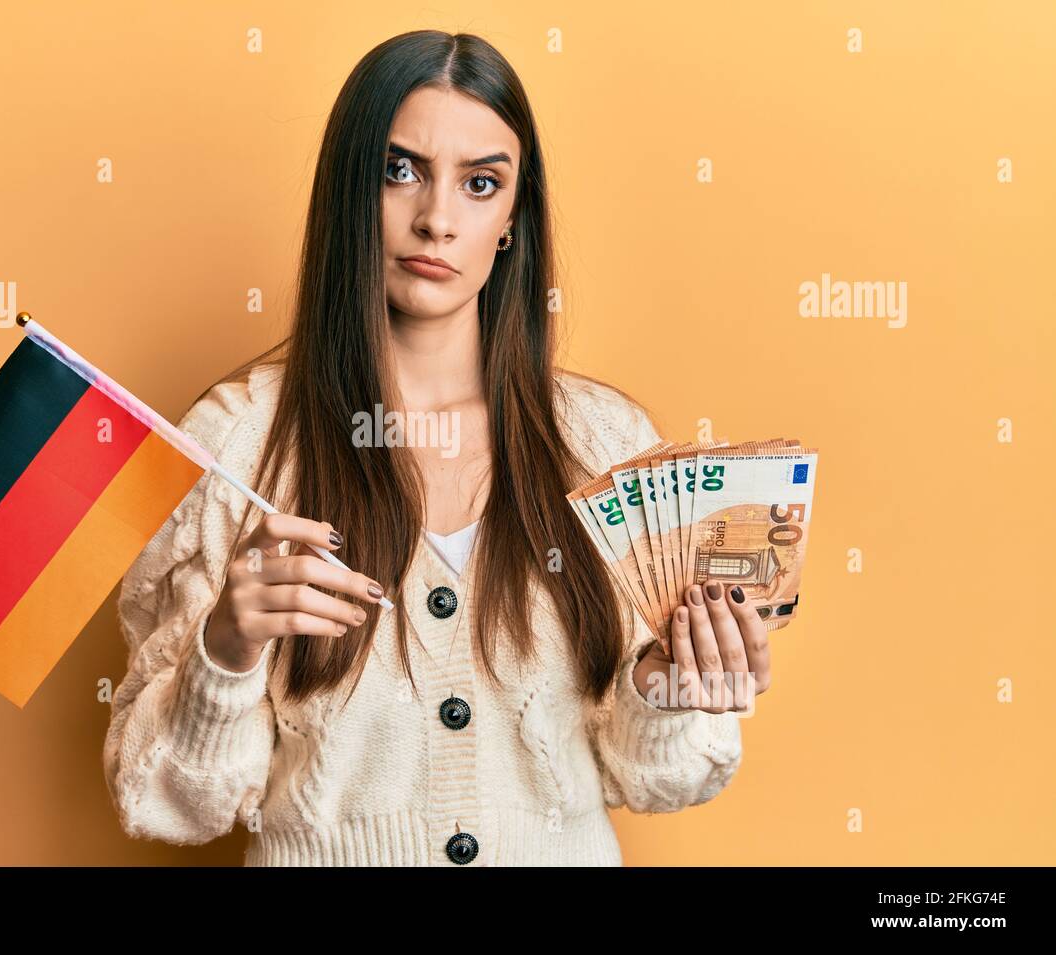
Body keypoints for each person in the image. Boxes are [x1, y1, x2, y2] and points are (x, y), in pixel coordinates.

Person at [102, 29, 770, 866]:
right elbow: (164, 800)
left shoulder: (607, 448)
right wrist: (224, 650)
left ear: (511, 223)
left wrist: (670, 686)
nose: (437, 219)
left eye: (481, 183)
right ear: (348, 190)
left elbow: (656, 778)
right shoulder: (231, 445)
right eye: (400, 170)